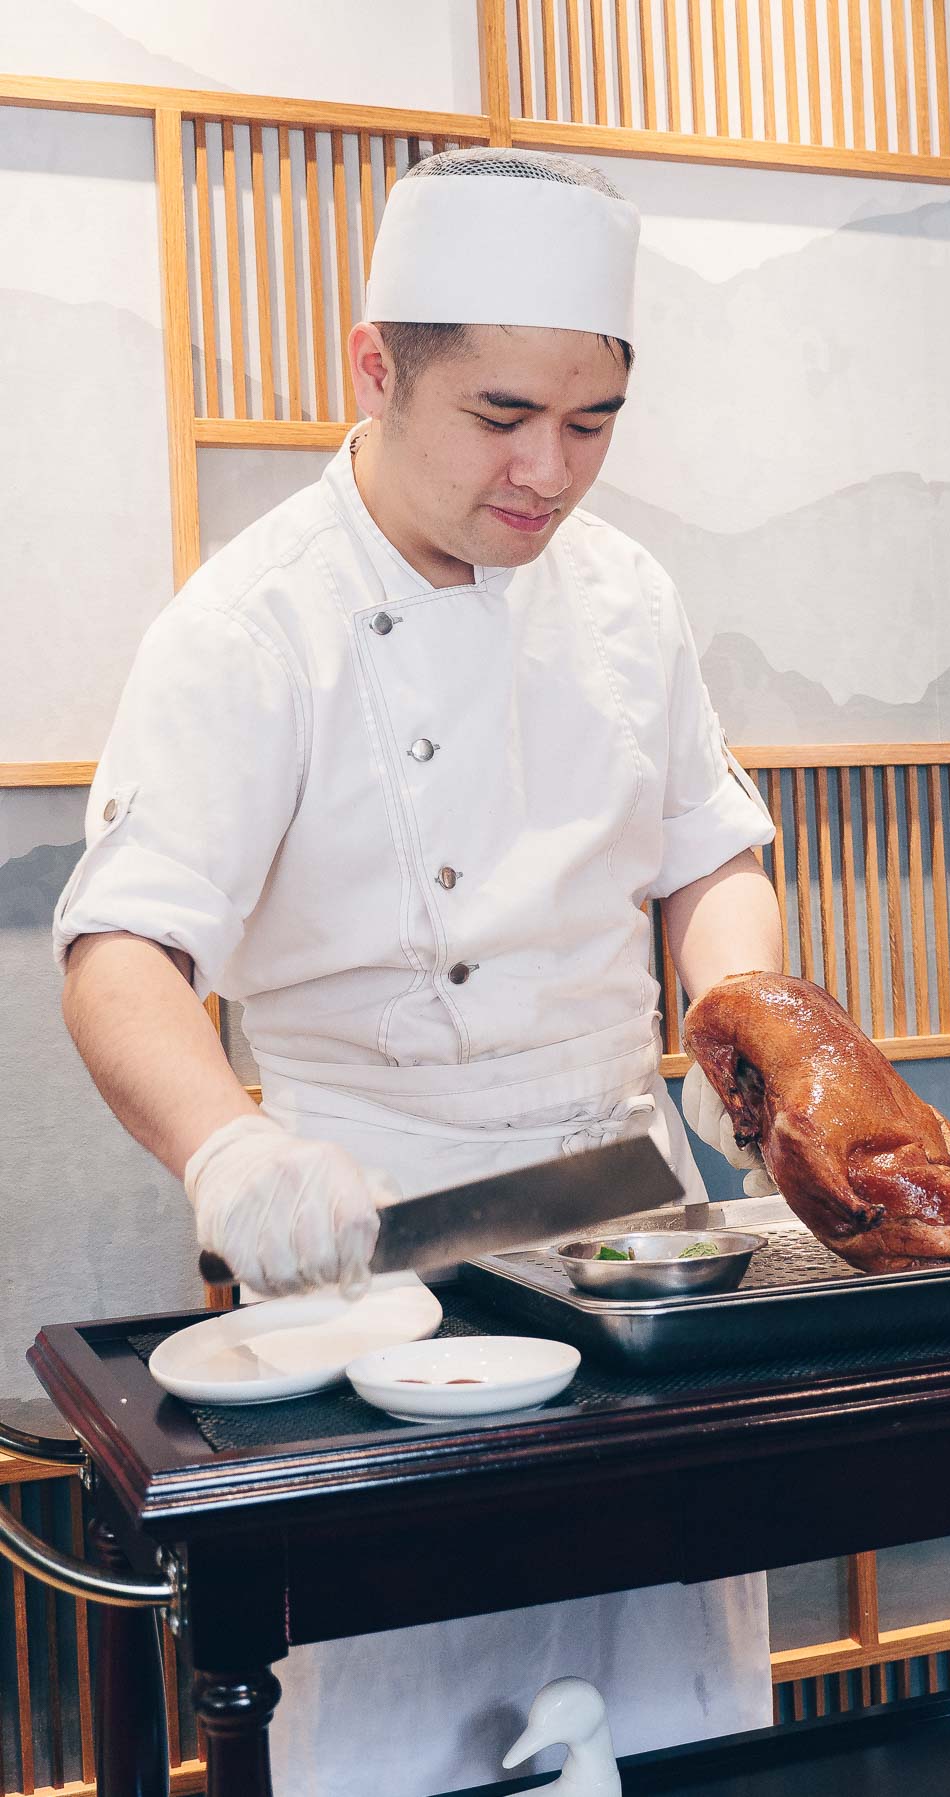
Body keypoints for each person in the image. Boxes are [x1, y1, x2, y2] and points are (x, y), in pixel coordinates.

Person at [54, 147, 783, 1795]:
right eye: (501, 416)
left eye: (591, 422)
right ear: (374, 367)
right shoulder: (254, 625)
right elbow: (122, 949)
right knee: (407, 1730)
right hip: (367, 1251)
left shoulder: (628, 596)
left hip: (635, 1239)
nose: (549, 471)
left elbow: (708, 857)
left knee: (679, 1717)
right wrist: (232, 1153)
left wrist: (740, 1024)